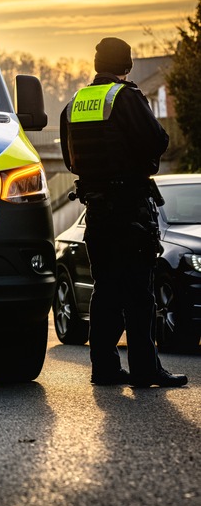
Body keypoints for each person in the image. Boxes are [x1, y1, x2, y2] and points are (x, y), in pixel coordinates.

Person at [60, 37, 188, 388]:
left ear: (96, 63)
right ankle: (146, 369)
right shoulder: (126, 97)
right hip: (130, 209)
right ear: (127, 65)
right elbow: (158, 140)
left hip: (97, 212)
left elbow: (71, 160)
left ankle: (104, 369)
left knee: (106, 292)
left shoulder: (75, 103)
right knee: (139, 295)